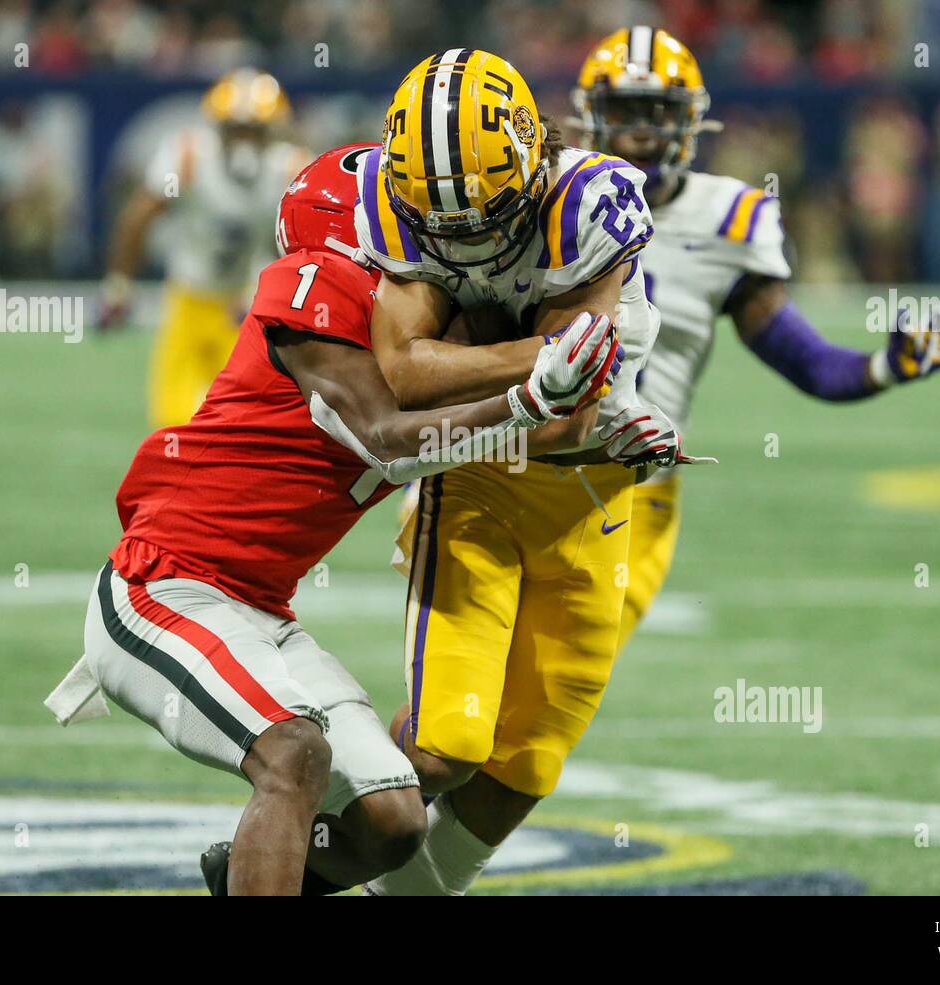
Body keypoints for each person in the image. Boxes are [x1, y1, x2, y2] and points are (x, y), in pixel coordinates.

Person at [50, 143, 621, 895]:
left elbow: (486, 422)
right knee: (293, 753)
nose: (429, 247)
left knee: (392, 821)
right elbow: (389, 438)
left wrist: (612, 427)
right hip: (164, 589)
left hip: (258, 607)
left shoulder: (416, 323)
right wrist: (530, 397)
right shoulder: (313, 290)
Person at [352, 48, 699, 897]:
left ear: (536, 151)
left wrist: (487, 372)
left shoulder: (591, 205)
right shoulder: (396, 202)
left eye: (486, 214)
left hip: (592, 503)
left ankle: (393, 896)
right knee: (443, 746)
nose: (466, 234)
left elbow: (569, 415)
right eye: (445, 219)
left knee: (527, 763)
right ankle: (293, 848)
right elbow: (401, 372)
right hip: (476, 488)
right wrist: (538, 367)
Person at [569, 26, 940, 650]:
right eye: (623, 111)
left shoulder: (729, 221)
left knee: (547, 706)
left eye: (658, 112)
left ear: (691, 121)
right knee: (469, 715)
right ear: (590, 116)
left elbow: (807, 362)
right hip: (519, 468)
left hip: (636, 493)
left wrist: (884, 367)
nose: (641, 132)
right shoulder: (548, 196)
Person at [100, 68, 306, 427]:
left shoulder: (291, 167)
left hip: (245, 307)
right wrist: (119, 286)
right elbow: (139, 216)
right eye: (235, 129)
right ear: (217, 128)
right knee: (172, 422)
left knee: (248, 423)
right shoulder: (188, 155)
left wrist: (277, 298)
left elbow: (301, 248)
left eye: (254, 131)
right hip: (189, 300)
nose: (244, 141)